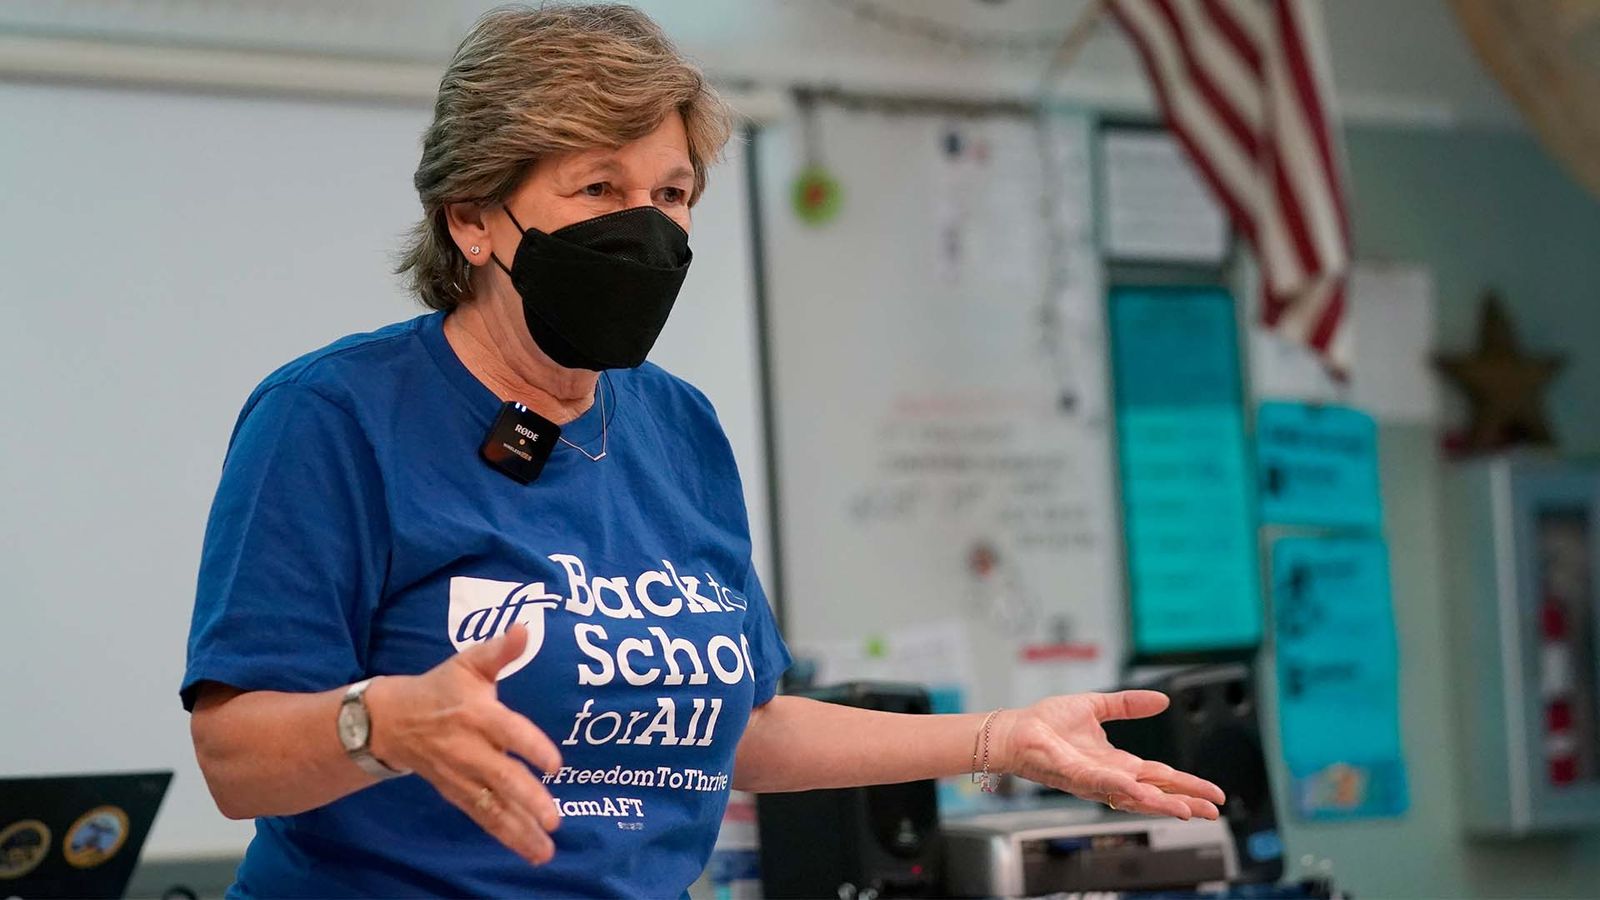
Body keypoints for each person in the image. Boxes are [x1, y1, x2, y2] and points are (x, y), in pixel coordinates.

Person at [181, 4, 1225, 897]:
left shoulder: (674, 426)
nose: (646, 231)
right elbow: (235, 759)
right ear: (472, 220)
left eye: (670, 195)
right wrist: (383, 721)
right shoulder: (332, 417)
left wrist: (997, 739)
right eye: (597, 191)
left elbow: (743, 731)